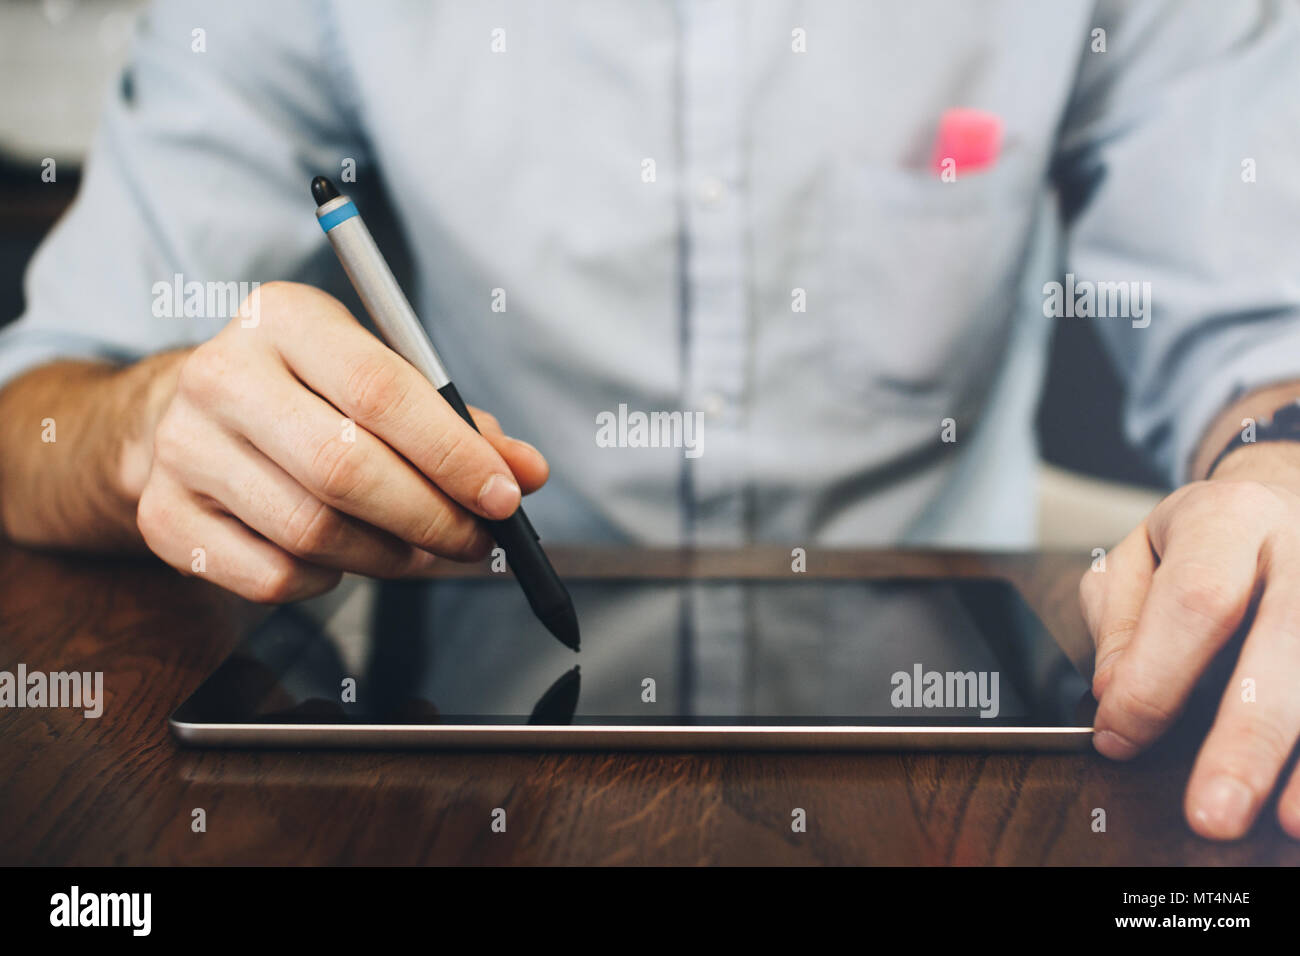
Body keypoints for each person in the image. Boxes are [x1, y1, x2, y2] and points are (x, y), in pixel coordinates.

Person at [1, 1, 1299, 842]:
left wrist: (1275, 465)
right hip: (491, 772)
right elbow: (38, 404)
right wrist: (142, 420)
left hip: (956, 775)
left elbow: (1262, 331)